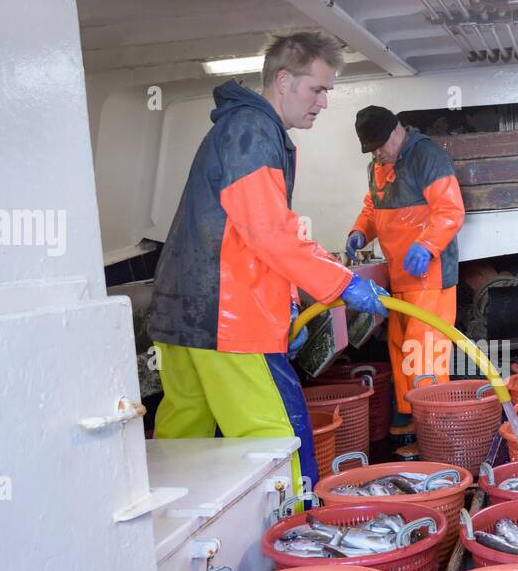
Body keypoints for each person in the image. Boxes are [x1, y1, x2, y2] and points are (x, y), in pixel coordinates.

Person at [147, 31, 388, 487]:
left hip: (182, 317)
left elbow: (246, 233)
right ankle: (301, 541)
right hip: (228, 321)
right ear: (283, 80)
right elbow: (269, 233)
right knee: (277, 443)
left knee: (182, 445)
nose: (324, 102)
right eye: (318, 89)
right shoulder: (253, 131)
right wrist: (342, 283)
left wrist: (290, 306)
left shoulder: (237, 129)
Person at [346, 107, 464, 436]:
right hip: (399, 277)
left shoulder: (427, 156)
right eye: (371, 148)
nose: (376, 152)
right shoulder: (378, 166)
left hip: (431, 277)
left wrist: (426, 246)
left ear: (398, 131)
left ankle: (435, 427)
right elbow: (373, 206)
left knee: (423, 350)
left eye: (380, 144)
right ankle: (410, 420)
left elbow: (450, 210)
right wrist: (360, 231)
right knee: (400, 349)